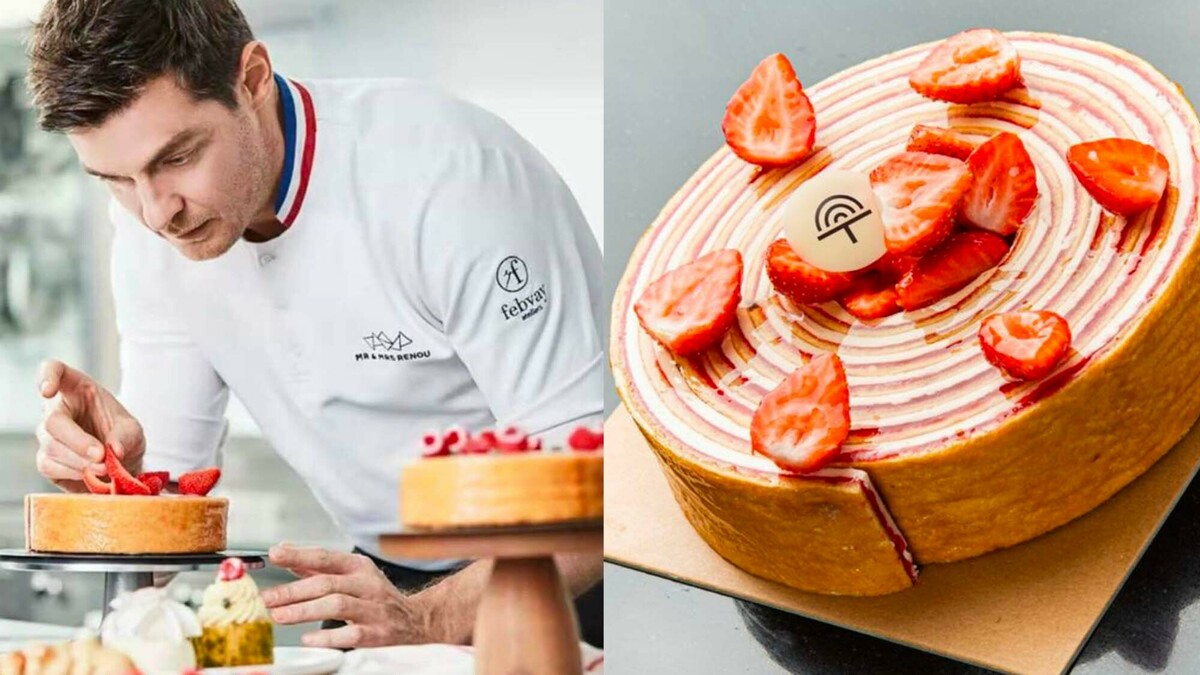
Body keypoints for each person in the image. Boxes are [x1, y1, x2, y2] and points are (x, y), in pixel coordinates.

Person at [25, 0, 603, 649]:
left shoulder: (449, 176)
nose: (157, 213)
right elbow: (166, 513)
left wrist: (432, 618)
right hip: (379, 582)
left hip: (561, 577)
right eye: (115, 179)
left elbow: (602, 488)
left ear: (252, 78)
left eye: (177, 157)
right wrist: (116, 477)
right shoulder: (147, 234)